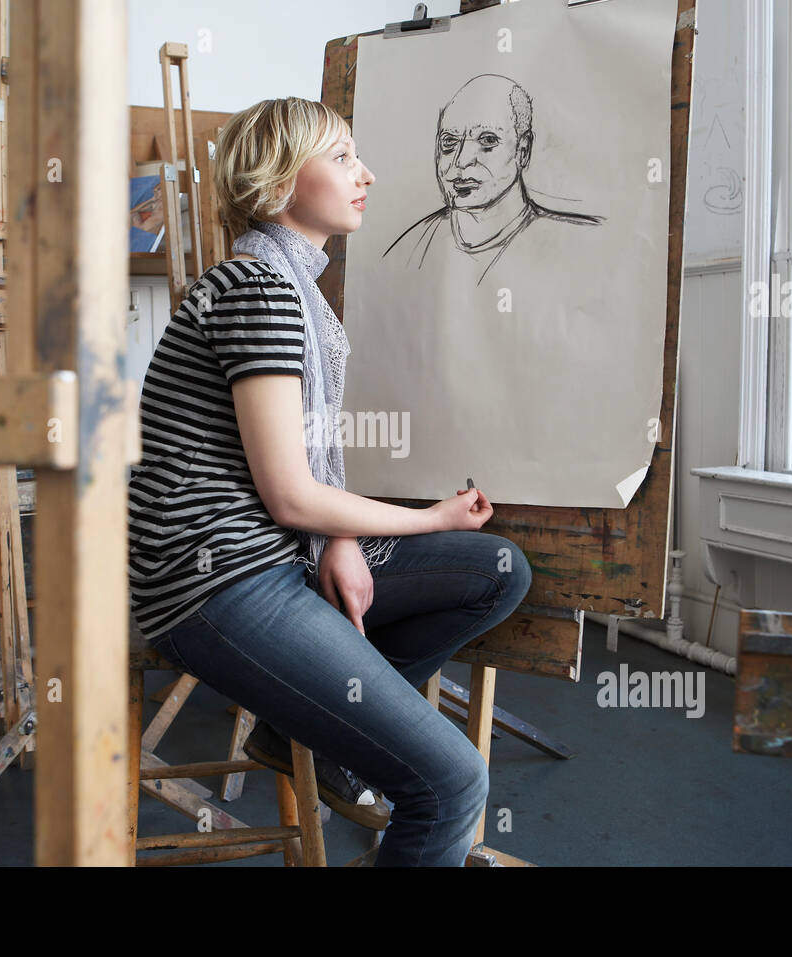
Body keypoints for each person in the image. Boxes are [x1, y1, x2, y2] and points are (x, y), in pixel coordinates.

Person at [128, 96, 533, 866]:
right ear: (280, 183)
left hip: (267, 556)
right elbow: (289, 493)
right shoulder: (259, 289)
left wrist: (342, 537)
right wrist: (432, 518)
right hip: (219, 584)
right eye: (342, 157)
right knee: (450, 783)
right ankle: (331, 724)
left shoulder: (291, 287)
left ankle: (304, 726)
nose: (366, 174)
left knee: (498, 569)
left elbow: (297, 462)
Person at [383, 74, 605, 286]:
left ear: (523, 151)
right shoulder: (410, 247)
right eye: (449, 142)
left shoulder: (577, 243)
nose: (460, 161)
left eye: (487, 140)